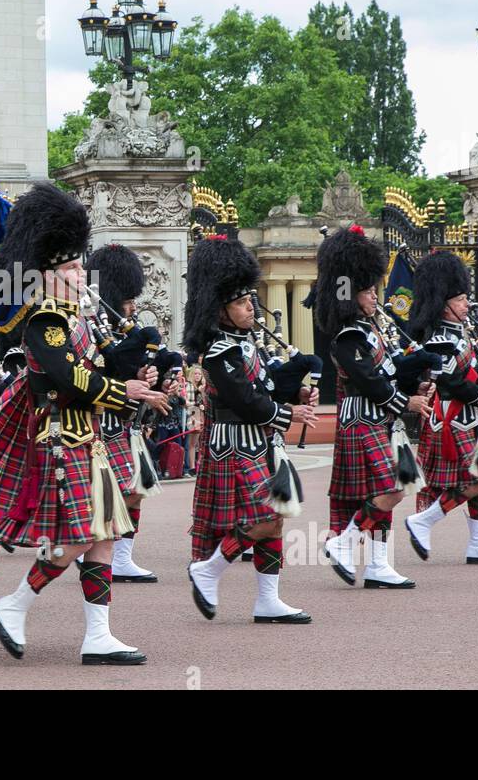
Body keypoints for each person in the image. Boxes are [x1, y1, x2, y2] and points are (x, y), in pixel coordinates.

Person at [0, 181, 163, 665]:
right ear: (47, 275)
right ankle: (15, 602)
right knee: (78, 535)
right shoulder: (46, 321)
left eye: (77, 266)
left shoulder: (78, 320)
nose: (79, 274)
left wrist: (140, 373)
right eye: (70, 268)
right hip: (61, 437)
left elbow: (99, 367)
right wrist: (121, 391)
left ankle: (97, 635)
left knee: (104, 533)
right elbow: (69, 379)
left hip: (86, 439)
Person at [183, 235, 319, 624]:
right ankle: (209, 569)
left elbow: (266, 387)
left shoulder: (246, 345)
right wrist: (287, 415)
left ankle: (267, 600)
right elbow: (244, 399)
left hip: (258, 443)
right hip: (233, 443)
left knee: (274, 517)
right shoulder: (219, 351)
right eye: (243, 302)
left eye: (250, 300)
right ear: (221, 310)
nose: (251, 308)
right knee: (263, 517)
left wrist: (298, 387)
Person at [315, 226, 431, 589]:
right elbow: (366, 378)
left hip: (381, 418)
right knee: (394, 488)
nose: (374, 296)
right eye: (366, 291)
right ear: (352, 295)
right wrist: (404, 400)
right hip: (362, 417)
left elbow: (390, 371)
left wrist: (418, 380)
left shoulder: (373, 330)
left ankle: (379, 564)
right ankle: (344, 542)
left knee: (381, 493)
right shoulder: (348, 334)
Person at [402, 250, 478, 566]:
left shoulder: (460, 333)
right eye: (460, 299)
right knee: (477, 481)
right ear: (444, 304)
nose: (466, 304)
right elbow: (454, 383)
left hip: (467, 418)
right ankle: (424, 521)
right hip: (450, 418)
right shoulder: (440, 339)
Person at [85, 243, 167, 582]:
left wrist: (150, 380)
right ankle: (82, 548)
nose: (133, 307)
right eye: (128, 299)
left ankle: (121, 556)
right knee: (110, 493)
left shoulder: (122, 330)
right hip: (98, 422)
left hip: (122, 422)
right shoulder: (91, 327)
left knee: (136, 489)